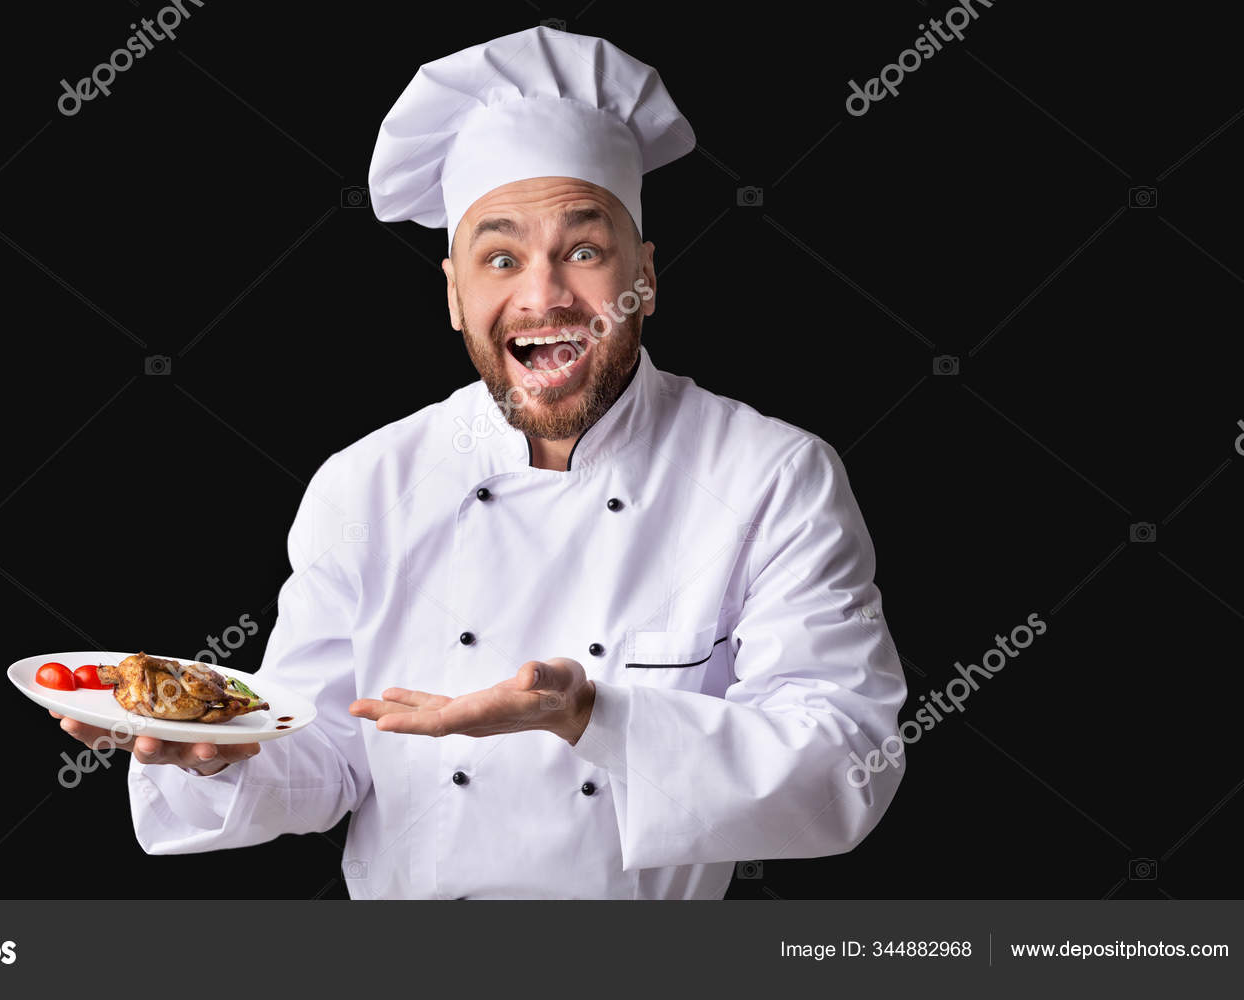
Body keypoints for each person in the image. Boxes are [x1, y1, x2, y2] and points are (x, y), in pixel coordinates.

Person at [54, 24, 908, 899]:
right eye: (500, 258)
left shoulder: (772, 477)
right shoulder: (367, 484)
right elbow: (325, 754)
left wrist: (590, 717)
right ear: (456, 296)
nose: (542, 295)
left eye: (584, 250)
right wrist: (214, 756)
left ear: (645, 277)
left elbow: (848, 765)